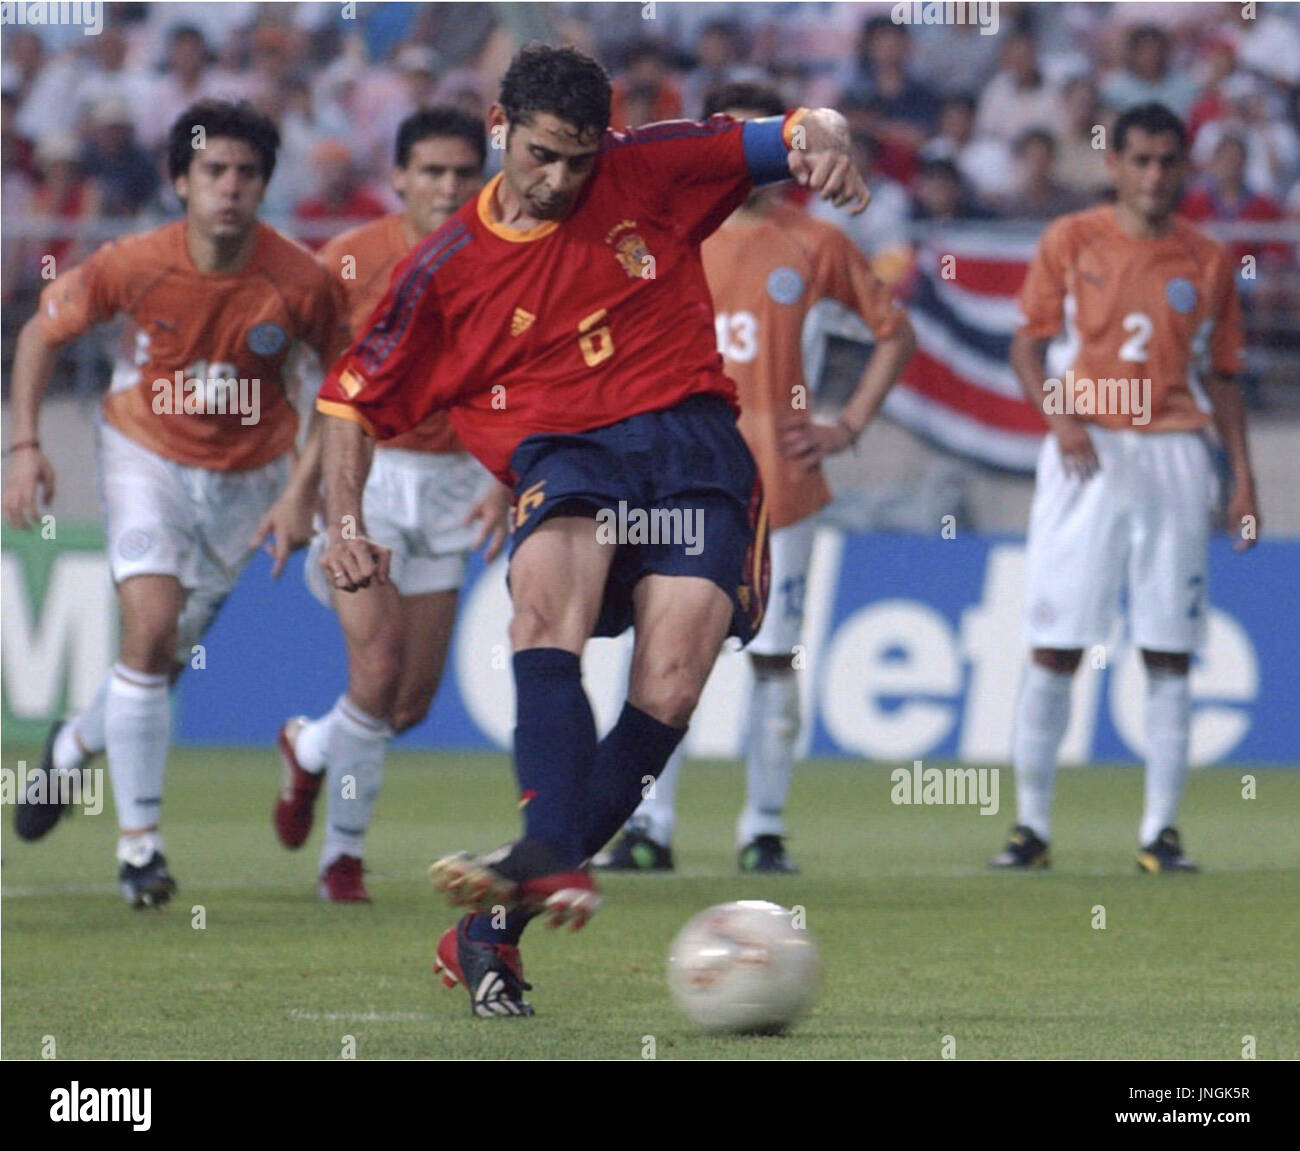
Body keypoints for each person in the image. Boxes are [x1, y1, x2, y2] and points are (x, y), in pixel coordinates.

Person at [312, 44, 869, 1016]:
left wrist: (828, 144)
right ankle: (547, 847)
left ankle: (498, 920)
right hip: (563, 452)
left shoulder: (649, 166)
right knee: (546, 606)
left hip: (693, 446)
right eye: (538, 155)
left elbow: (791, 129)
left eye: (578, 158)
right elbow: (349, 403)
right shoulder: (444, 271)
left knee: (673, 681)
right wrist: (344, 519)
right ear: (498, 126)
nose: (560, 179)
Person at [4, 100, 347, 907]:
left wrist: (302, 496)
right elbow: (39, 336)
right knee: (151, 628)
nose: (230, 187)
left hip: (250, 479)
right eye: (214, 172)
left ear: (264, 184)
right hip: (144, 453)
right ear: (181, 180)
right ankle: (140, 850)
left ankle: (73, 743)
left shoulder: (302, 280)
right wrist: (24, 447)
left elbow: (342, 388)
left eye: (247, 173)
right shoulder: (134, 261)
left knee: (156, 657)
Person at [597, 82, 915, 874]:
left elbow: (894, 331)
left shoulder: (814, 242)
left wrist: (847, 424)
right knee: (661, 651)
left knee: (777, 657)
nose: (744, 155)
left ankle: (763, 828)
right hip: (674, 476)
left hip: (780, 483)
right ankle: (649, 826)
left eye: (762, 139)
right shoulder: (666, 235)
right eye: (730, 137)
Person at [992, 103, 1260, 874]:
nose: (1152, 175)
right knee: (1055, 642)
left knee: (1170, 649)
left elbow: (1227, 375)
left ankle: (1159, 834)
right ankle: (1030, 827)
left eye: (1167, 161)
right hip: (1088, 455)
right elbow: (1026, 347)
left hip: (1175, 452)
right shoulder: (1071, 240)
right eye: (1139, 160)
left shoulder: (1208, 260)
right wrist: (1061, 421)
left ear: (1185, 167)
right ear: (1115, 165)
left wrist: (1241, 479)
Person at [268, 107, 509, 903]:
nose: (447, 187)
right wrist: (300, 497)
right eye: (431, 172)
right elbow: (327, 396)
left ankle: (308, 749)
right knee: (374, 673)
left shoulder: (505, 255)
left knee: (406, 702)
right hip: (363, 477)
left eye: (462, 172)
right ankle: (343, 858)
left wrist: (505, 482)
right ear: (399, 177)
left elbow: (523, 380)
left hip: (452, 483)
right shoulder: (349, 260)